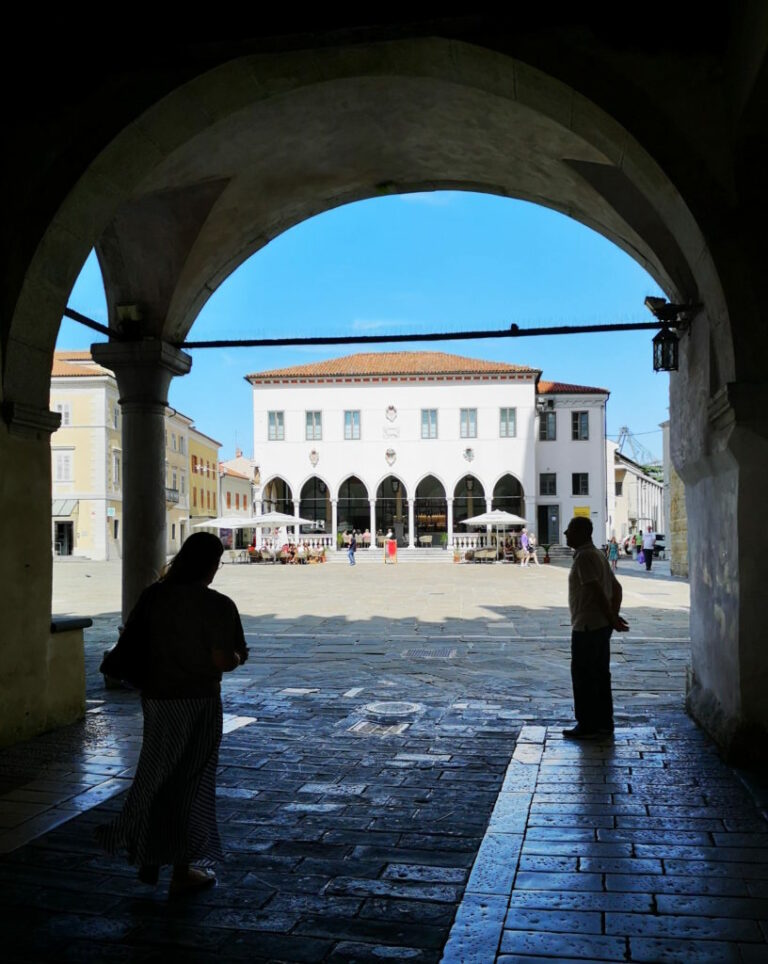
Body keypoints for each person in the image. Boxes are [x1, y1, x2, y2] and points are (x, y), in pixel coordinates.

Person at [96, 532, 249, 895]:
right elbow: (223, 660)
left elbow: (131, 643)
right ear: (211, 565)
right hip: (198, 702)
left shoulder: (153, 596)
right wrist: (238, 657)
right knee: (190, 783)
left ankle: (147, 853)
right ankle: (181, 869)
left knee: (157, 773)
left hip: (157, 700)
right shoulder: (217, 605)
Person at [562, 516, 629, 740]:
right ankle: (604, 723)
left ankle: (588, 724)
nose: (565, 533)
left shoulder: (584, 557)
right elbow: (617, 588)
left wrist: (612, 617)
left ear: (582, 533)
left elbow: (596, 591)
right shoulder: (598, 554)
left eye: (570, 529)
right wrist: (612, 617)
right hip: (599, 625)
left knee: (583, 676)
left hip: (587, 626)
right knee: (600, 675)